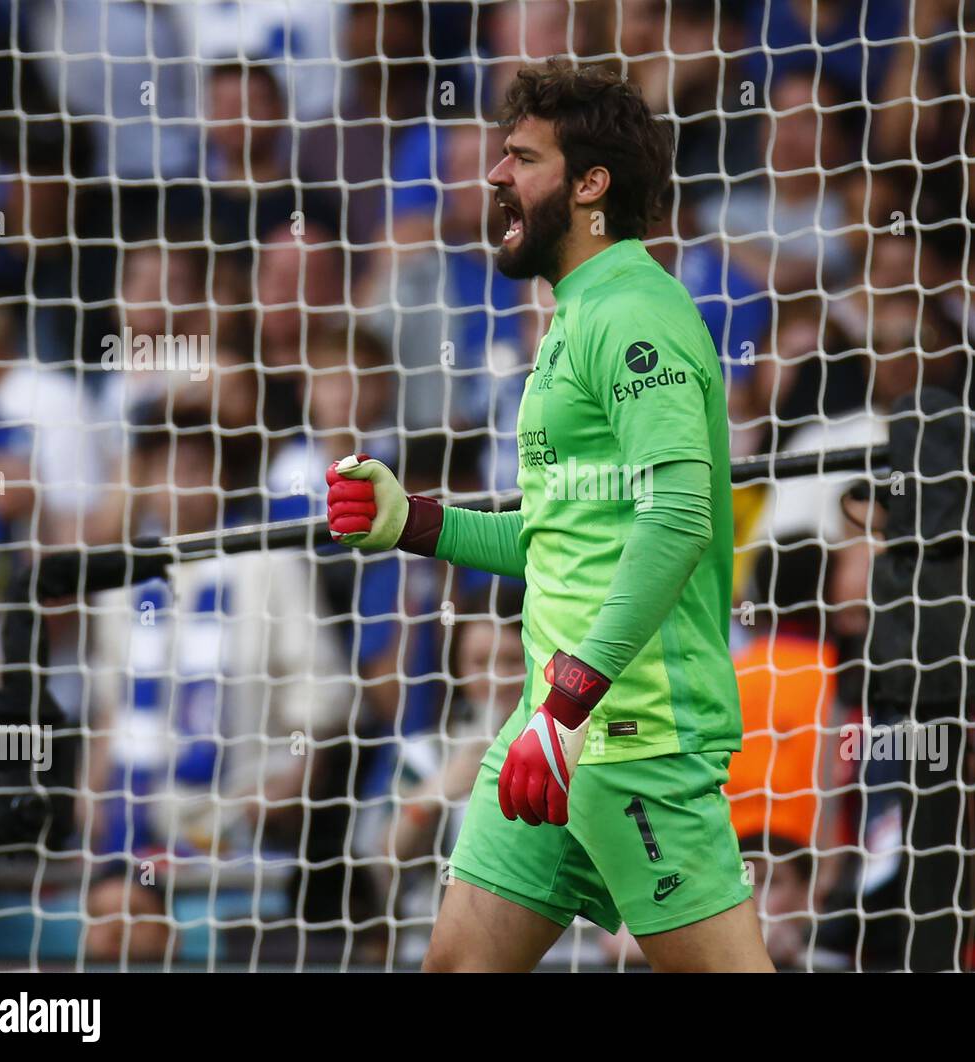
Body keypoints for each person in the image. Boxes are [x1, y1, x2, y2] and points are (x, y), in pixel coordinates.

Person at [325, 60, 771, 972]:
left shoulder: (636, 313)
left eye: (521, 158)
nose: (496, 177)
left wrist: (569, 706)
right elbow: (553, 541)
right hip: (551, 735)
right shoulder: (571, 317)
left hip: (630, 734)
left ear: (590, 185)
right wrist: (416, 523)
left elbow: (681, 518)